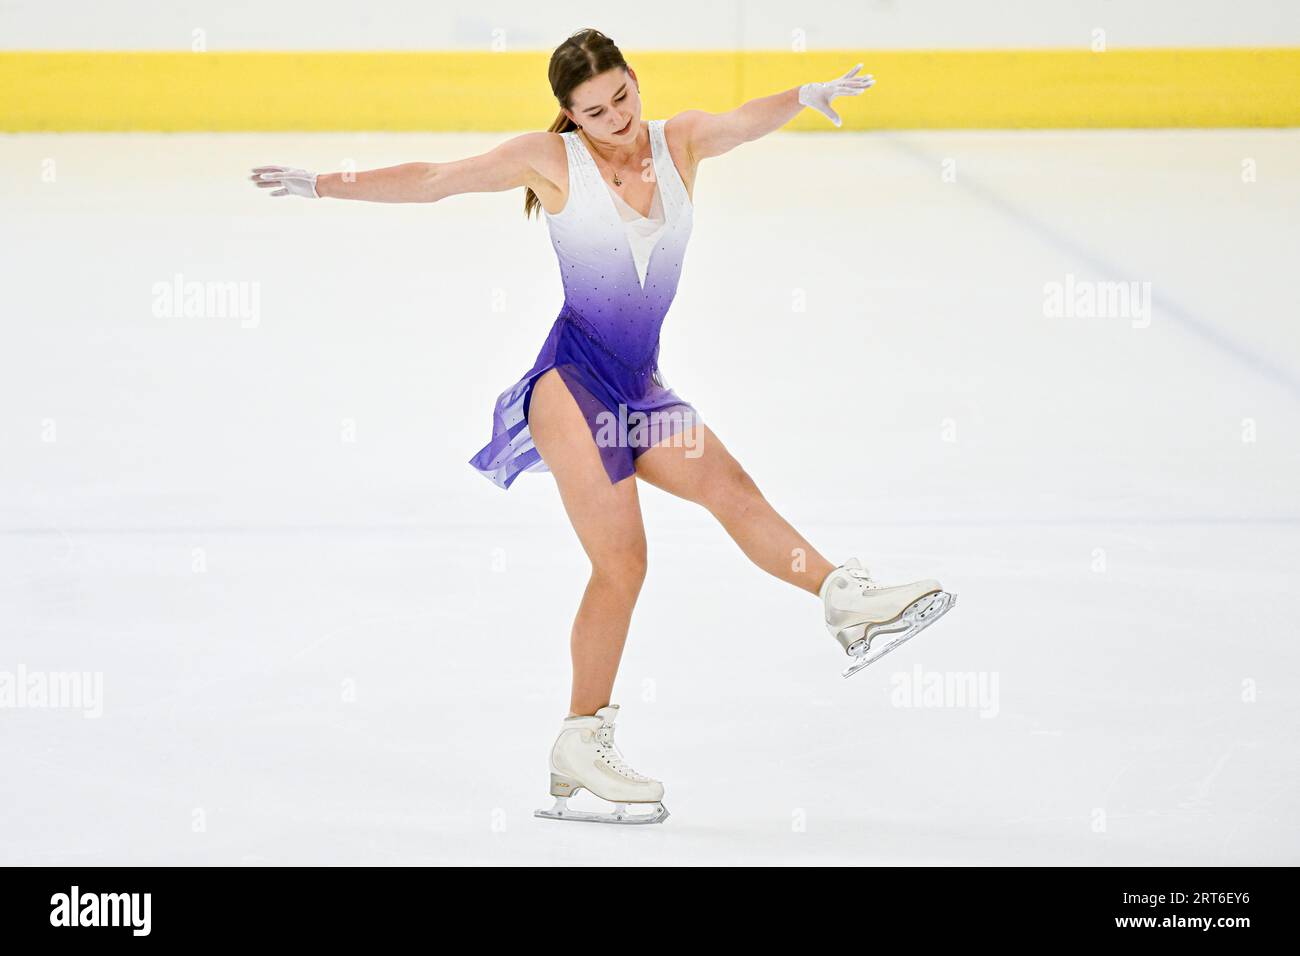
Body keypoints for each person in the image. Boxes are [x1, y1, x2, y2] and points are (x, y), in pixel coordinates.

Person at [251, 28, 955, 826]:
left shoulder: (679, 142)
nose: (616, 116)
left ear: (633, 81)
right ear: (568, 114)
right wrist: (322, 184)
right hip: (572, 385)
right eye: (594, 109)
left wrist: (801, 97)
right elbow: (436, 179)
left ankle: (842, 598)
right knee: (623, 563)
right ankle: (582, 741)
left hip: (637, 389)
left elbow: (739, 120)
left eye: (622, 95)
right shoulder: (550, 162)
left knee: (730, 487)